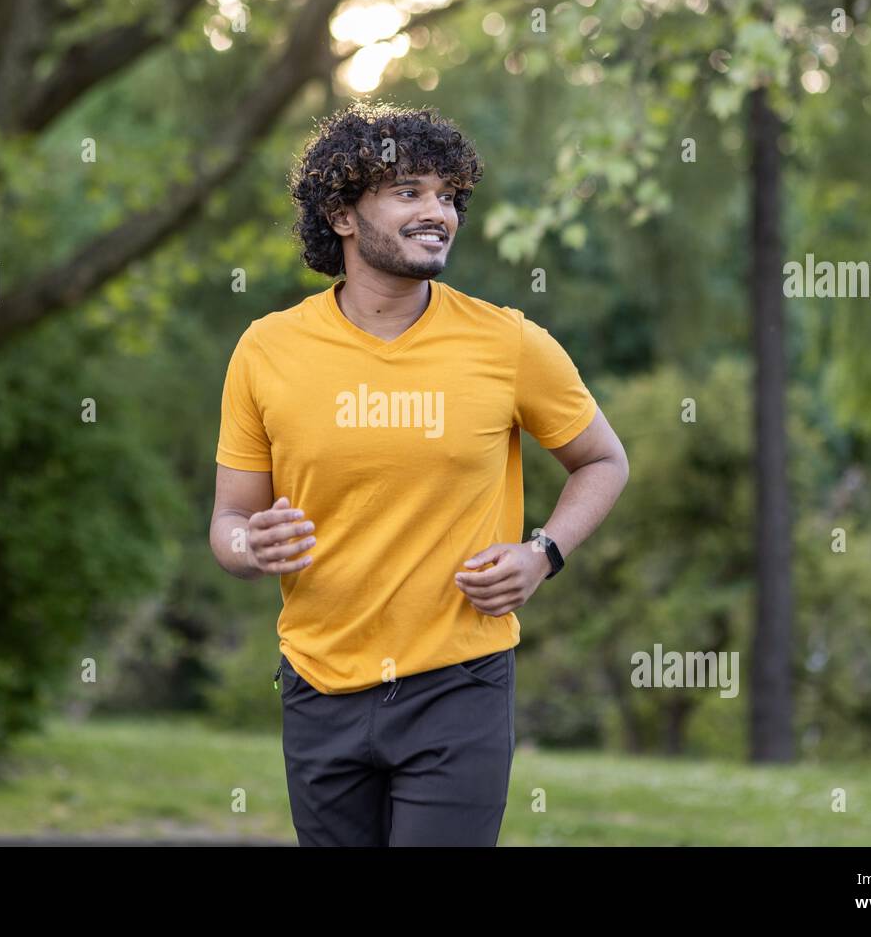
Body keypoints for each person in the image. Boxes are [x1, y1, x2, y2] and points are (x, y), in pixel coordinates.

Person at [209, 102, 629, 846]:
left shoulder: (508, 343)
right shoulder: (266, 351)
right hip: (319, 685)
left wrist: (543, 552)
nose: (438, 211)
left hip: (458, 685)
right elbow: (228, 524)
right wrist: (252, 547)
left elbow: (602, 458)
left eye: (448, 195)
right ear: (342, 214)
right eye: (410, 192)